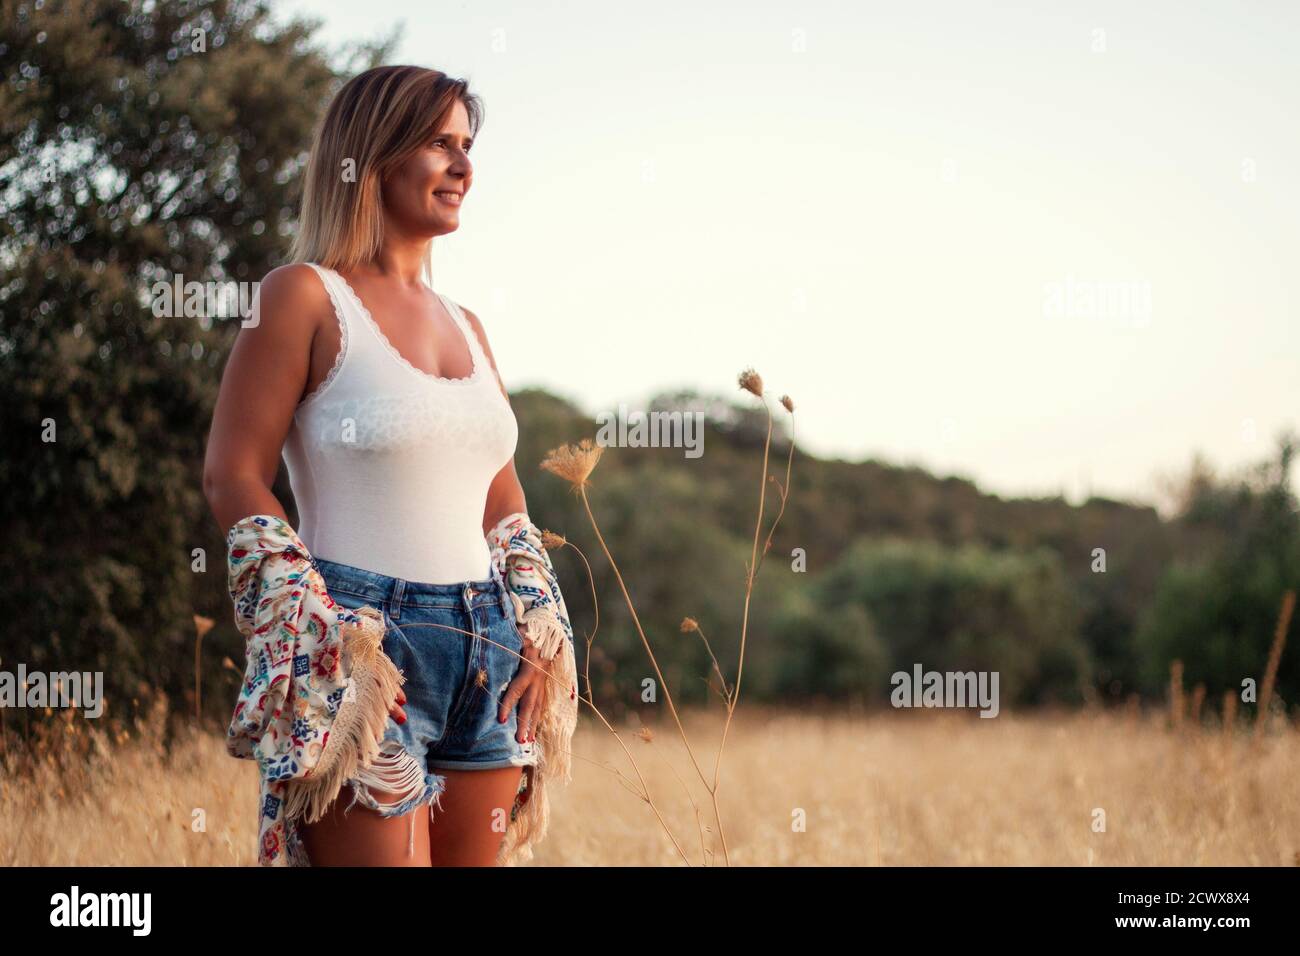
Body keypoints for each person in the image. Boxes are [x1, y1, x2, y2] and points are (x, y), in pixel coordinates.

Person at [203, 65, 550, 866]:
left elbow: (500, 490)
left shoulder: (470, 325)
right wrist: (321, 639)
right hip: (362, 643)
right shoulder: (300, 296)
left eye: (468, 144)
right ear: (372, 155)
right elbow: (232, 473)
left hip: (489, 653)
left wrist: (537, 621)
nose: (465, 165)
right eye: (440, 143)